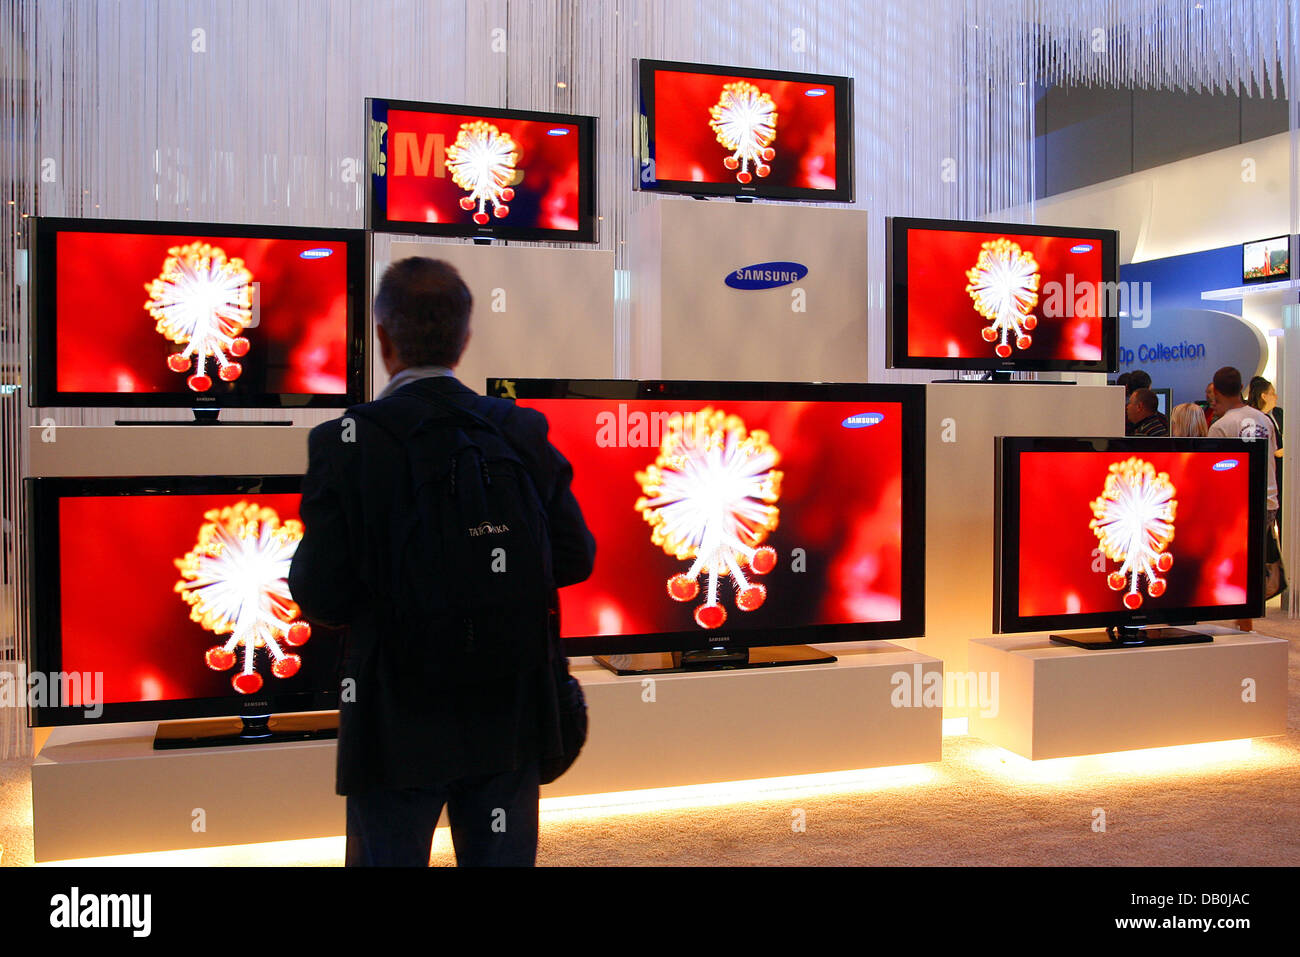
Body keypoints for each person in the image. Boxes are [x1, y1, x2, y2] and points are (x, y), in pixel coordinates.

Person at [288, 257, 596, 867]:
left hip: (395, 717)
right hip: (508, 707)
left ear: (381, 339)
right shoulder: (519, 428)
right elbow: (575, 557)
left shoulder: (345, 442)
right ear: (465, 339)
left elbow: (319, 593)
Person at [1208, 366, 1278, 631]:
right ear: (1242, 388)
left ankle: (1243, 617)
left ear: (1215, 390)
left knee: (1238, 560)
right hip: (1267, 500)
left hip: (1238, 502)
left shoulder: (1221, 426)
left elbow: (1216, 472)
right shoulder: (1264, 419)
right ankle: (1246, 618)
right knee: (1254, 561)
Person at [1248, 376, 1284, 532]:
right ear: (1264, 396)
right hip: (1265, 477)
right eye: (1272, 393)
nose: (1276, 397)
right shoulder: (1253, 420)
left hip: (1281, 477)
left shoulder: (1278, 414)